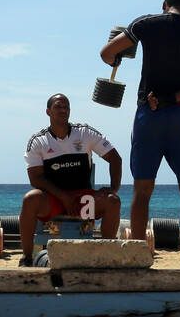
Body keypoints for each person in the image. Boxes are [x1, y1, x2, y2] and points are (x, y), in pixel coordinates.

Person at [100, 0, 180, 268]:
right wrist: (174, 98)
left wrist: (116, 57)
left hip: (149, 116)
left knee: (142, 191)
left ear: (164, 4)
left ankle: (139, 259)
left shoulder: (145, 24)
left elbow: (105, 53)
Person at [19, 93, 122, 266]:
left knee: (113, 201)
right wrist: (64, 197)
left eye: (66, 107)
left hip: (84, 202)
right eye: (58, 106)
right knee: (30, 199)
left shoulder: (85, 133)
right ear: (48, 111)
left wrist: (113, 189)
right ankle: (27, 258)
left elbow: (115, 159)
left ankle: (106, 258)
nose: (63, 110)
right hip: (54, 201)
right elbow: (35, 179)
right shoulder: (38, 141)